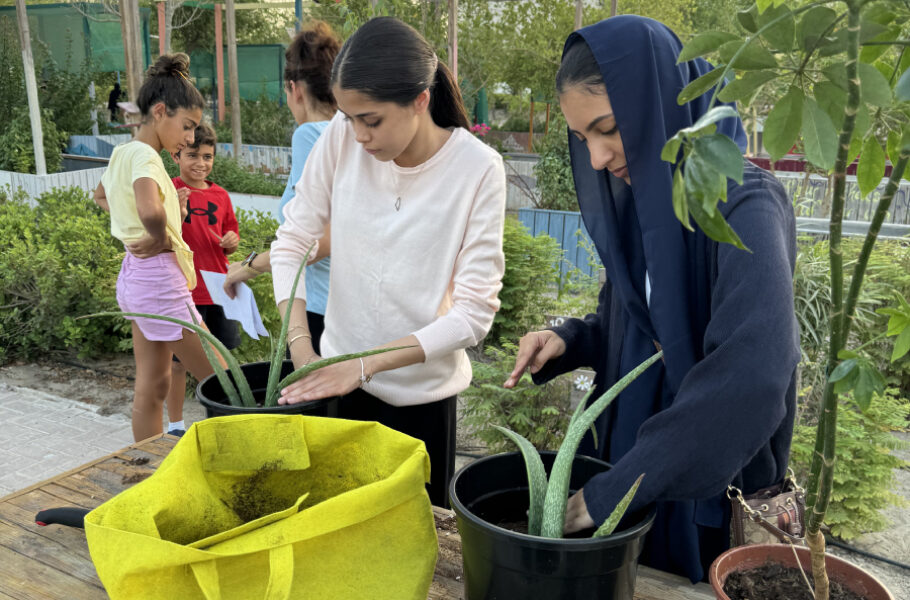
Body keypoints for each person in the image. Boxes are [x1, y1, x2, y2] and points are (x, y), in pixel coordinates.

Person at [504, 16, 800, 582]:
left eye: (609, 128)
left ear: (662, 102)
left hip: (699, 486)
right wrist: (567, 339)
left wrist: (606, 496)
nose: (596, 157)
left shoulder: (745, 205)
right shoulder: (648, 199)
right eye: (582, 137)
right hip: (635, 464)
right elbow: (631, 321)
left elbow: (753, 373)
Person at [263, 17, 506, 508]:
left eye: (370, 120)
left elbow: (474, 314)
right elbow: (291, 243)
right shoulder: (339, 137)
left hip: (422, 404)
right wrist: (302, 347)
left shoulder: (477, 168)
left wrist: (365, 365)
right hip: (335, 384)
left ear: (419, 100)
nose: (357, 136)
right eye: (349, 118)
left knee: (413, 555)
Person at [93, 53, 219, 442]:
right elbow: (148, 209)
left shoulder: (122, 153)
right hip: (160, 282)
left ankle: (146, 465)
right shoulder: (147, 157)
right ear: (160, 111)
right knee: (224, 378)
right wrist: (159, 234)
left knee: (153, 386)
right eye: (187, 127)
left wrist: (142, 224)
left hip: (136, 278)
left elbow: (100, 196)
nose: (189, 138)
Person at [223, 20, 340, 355]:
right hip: (357, 309)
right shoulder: (357, 133)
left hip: (321, 311)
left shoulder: (311, 135)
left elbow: (319, 241)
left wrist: (245, 268)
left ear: (295, 89)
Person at [165, 122, 241, 436]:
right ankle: (175, 425)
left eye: (207, 156)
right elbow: (162, 236)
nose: (200, 163)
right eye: (193, 154)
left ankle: (220, 420)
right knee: (178, 363)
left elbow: (232, 231)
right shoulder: (168, 190)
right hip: (183, 291)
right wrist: (178, 213)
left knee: (223, 358)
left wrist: (231, 240)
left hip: (219, 287)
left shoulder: (221, 195)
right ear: (176, 156)